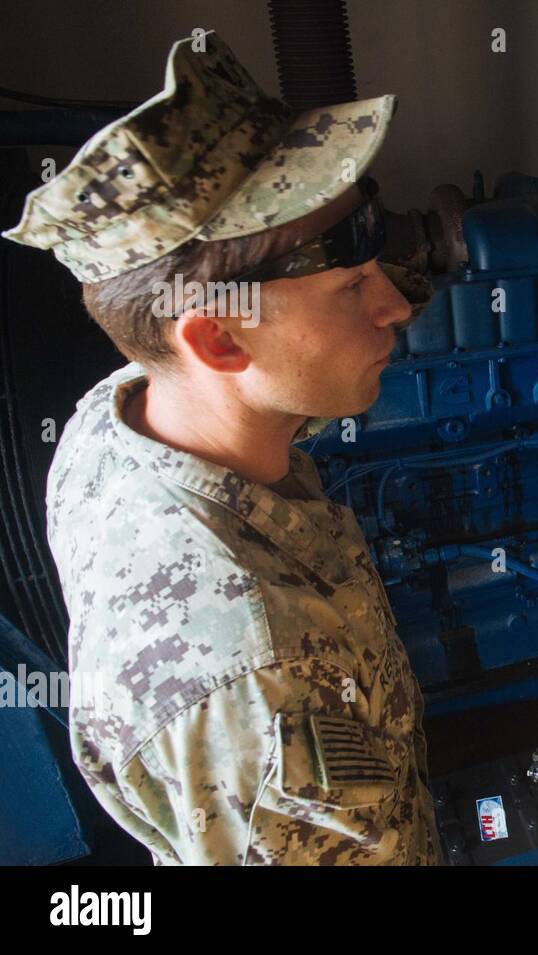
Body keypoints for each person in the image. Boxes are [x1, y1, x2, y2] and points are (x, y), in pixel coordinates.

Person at [4, 32, 440, 864]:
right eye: (351, 284)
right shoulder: (251, 684)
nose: (394, 303)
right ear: (218, 342)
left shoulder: (123, 411)